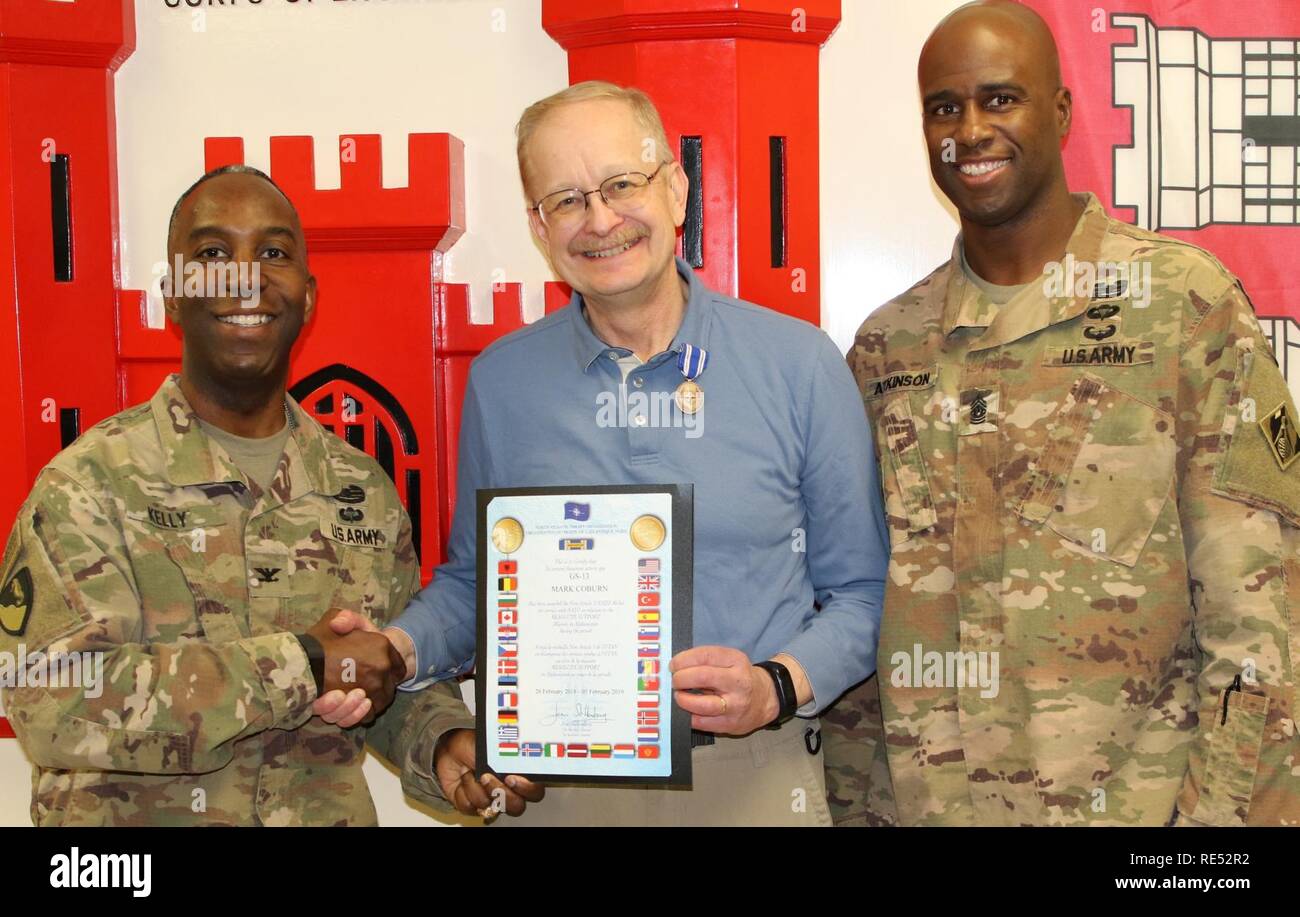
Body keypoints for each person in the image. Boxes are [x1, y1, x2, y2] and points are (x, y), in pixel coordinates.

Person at [317, 81, 889, 826]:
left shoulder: (799, 364)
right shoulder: (502, 382)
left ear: (676, 191)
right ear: (537, 224)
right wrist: (394, 648)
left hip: (752, 777)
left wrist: (778, 684)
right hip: (555, 791)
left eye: (623, 184)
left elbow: (865, 594)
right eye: (566, 199)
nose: (600, 220)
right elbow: (473, 584)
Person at [824, 0, 1300, 826]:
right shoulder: (886, 349)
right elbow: (864, 618)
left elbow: (1262, 619)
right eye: (945, 107)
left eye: (999, 98)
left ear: (1061, 111)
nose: (970, 129)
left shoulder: (1185, 307)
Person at [0, 165, 474, 825]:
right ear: (173, 294)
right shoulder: (88, 485)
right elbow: (48, 700)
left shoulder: (359, 490)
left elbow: (379, 677)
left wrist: (442, 740)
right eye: (213, 253)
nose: (245, 275)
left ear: (307, 297)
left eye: (273, 253)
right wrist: (302, 664)